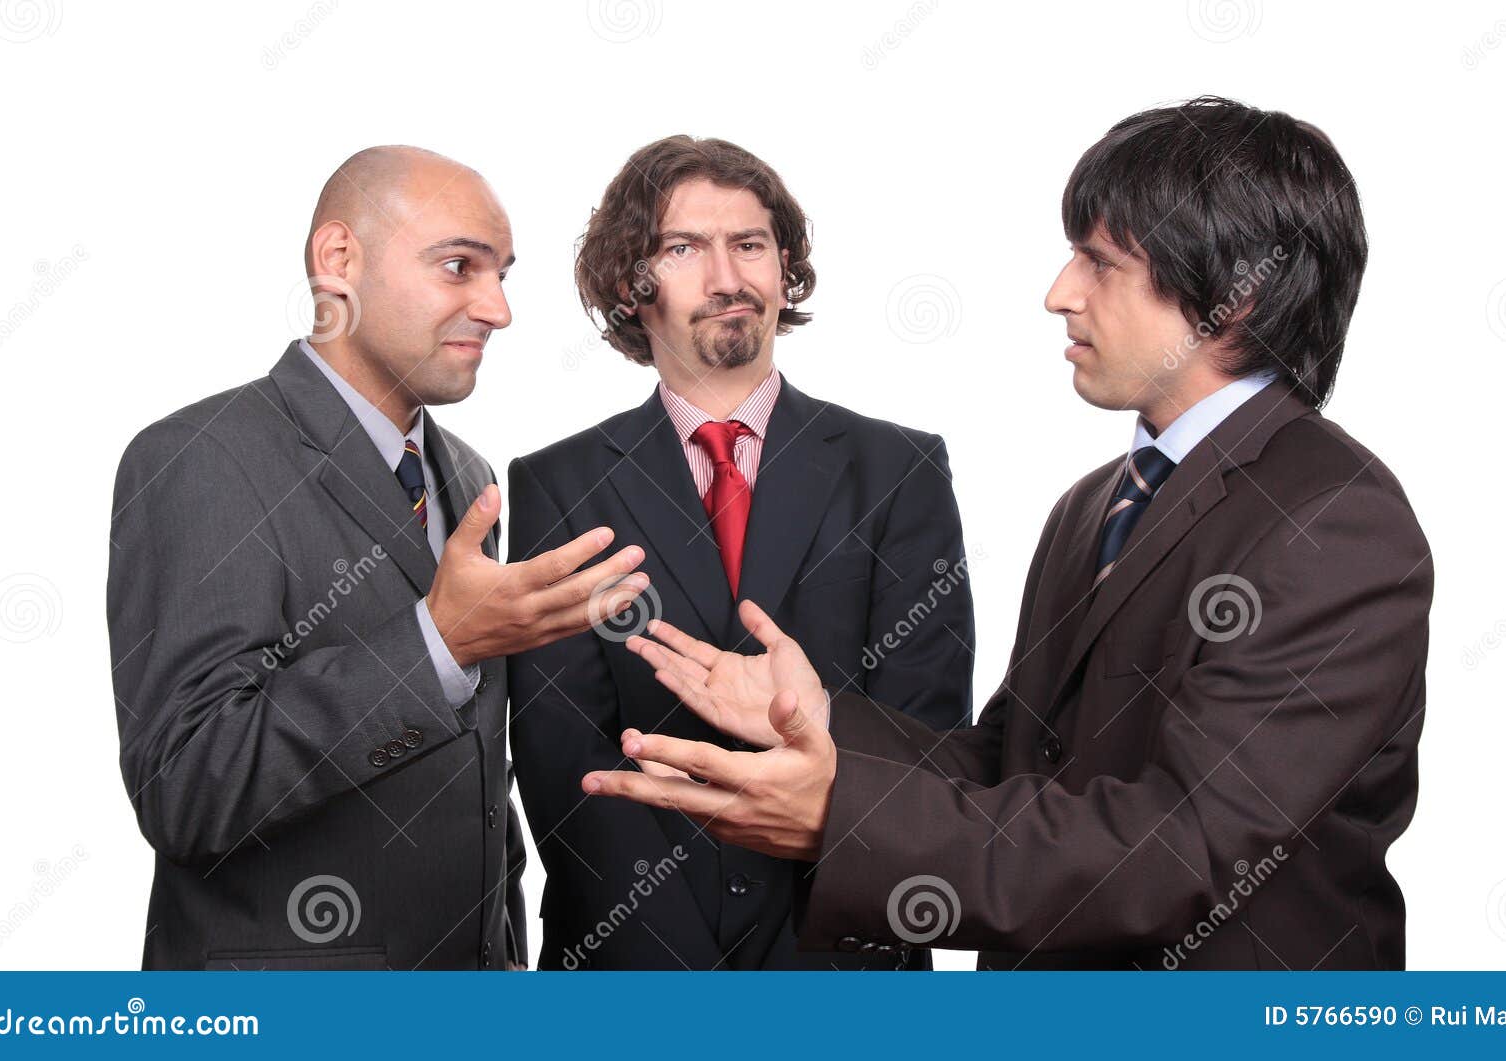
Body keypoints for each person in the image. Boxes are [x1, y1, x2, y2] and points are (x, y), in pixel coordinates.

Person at [588, 98, 1434, 970]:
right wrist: (825, 720)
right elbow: (1013, 761)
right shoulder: (1095, 505)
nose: (1060, 292)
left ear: (1236, 292)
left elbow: (1182, 851)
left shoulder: (1335, 520)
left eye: (1101, 262)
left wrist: (843, 816)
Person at [108, 146, 649, 969]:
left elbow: (476, 773)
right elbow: (186, 786)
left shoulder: (467, 475)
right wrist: (437, 644)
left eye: (503, 274)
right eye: (459, 266)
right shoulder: (201, 456)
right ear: (338, 261)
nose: (498, 308)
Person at [506, 135, 974, 969]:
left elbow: (924, 737)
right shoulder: (557, 483)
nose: (728, 277)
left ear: (784, 267)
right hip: (632, 969)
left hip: (839, 958)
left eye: (750, 244)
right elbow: (562, 757)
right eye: (685, 248)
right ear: (630, 284)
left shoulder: (899, 469)